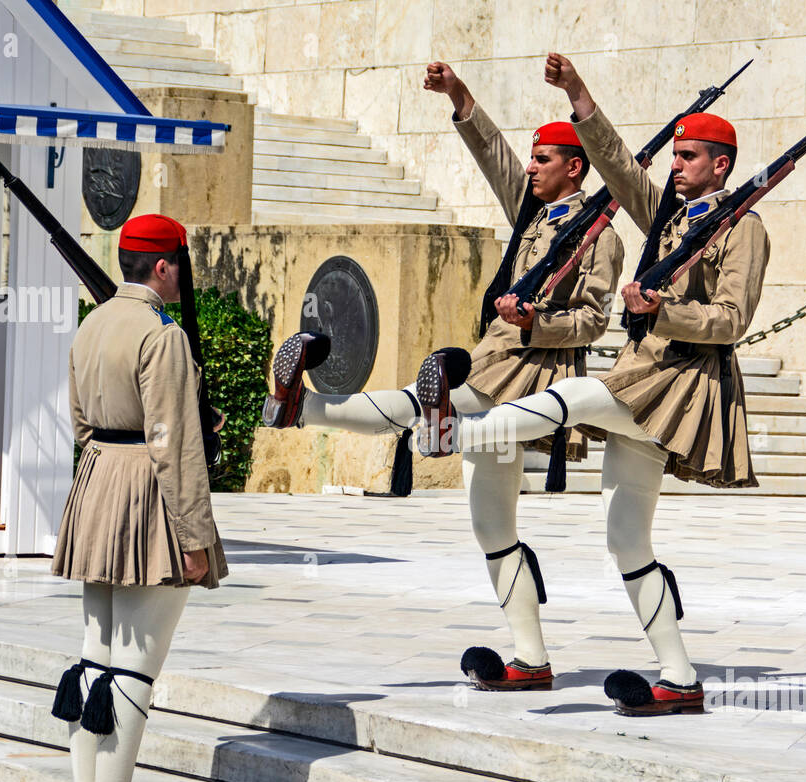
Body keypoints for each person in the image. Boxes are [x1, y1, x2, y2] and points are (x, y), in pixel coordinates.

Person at [415, 52, 770, 715]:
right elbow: (616, 164)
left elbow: (731, 320)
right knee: (626, 539)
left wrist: (660, 309)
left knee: (578, 397)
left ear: (721, 164)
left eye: (690, 157)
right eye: (678, 156)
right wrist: (578, 92)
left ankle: (453, 427)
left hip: (683, 384)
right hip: (646, 375)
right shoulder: (667, 214)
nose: (677, 165)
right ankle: (679, 677)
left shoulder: (744, 228)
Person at [263, 61, 623, 692]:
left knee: (412, 405)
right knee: (491, 528)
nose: (531, 167)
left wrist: (539, 321)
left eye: (544, 159)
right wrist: (460, 98)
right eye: (532, 159)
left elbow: (593, 321)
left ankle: (319, 411)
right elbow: (493, 155)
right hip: (493, 355)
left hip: (535, 375)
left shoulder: (600, 237)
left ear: (575, 166)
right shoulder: (532, 215)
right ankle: (531, 661)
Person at [49, 213, 228, 782]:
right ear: (162, 266)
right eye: (180, 262)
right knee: (135, 666)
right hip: (148, 494)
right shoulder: (163, 335)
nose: (183, 274)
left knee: (95, 657)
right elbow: (175, 446)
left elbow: (78, 422)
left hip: (95, 486)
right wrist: (194, 538)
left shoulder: (91, 324)